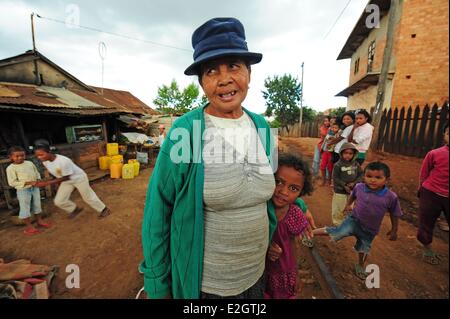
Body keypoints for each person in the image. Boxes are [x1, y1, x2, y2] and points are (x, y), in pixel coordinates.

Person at [139, 17, 312, 299]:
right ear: (202, 83)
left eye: (234, 66)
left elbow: (272, 184)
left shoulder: (262, 128)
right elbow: (158, 212)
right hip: (207, 286)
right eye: (211, 71)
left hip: (257, 274)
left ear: (249, 73)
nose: (224, 79)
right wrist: (157, 283)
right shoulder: (186, 132)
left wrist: (299, 203)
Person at [313, 162, 402, 279]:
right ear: (364, 176)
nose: (373, 180)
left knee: (364, 248)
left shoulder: (391, 197)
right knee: (338, 232)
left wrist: (394, 230)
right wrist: (348, 204)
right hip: (354, 221)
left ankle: (360, 266)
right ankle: (310, 232)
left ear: (387, 179)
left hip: (370, 229)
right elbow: (353, 195)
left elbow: (395, 214)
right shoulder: (359, 187)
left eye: (378, 177)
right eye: (369, 176)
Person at [265, 154, 311, 299]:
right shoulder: (260, 208)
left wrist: (296, 272)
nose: (284, 192)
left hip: (284, 269)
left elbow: (292, 243)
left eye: (293, 188)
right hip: (260, 272)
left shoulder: (294, 213)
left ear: (301, 192)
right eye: (278, 182)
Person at [33, 141, 111, 219]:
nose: (39, 157)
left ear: (49, 152)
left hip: (79, 178)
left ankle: (104, 209)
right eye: (37, 156)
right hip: (66, 180)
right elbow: (58, 174)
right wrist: (56, 183)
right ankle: (74, 209)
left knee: (88, 197)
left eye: (41, 154)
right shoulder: (45, 162)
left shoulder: (63, 161)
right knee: (59, 201)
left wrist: (46, 183)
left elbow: (66, 177)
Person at [417, 123, 449, 265]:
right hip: (431, 193)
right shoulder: (434, 154)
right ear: (445, 136)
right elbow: (424, 172)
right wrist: (421, 189)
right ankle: (427, 248)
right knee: (426, 223)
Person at [6, 146, 51, 235]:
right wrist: (28, 182)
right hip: (23, 191)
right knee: (25, 208)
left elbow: (36, 172)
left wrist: (38, 179)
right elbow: (12, 183)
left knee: (37, 205)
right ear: (10, 157)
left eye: (22, 155)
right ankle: (29, 227)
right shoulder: (10, 168)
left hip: (34, 188)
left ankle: (39, 221)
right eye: (17, 156)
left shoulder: (29, 163)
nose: (20, 158)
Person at [331, 143, 363, 226]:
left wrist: (354, 183)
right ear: (341, 153)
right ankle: (337, 224)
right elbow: (336, 178)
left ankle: (346, 222)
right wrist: (344, 185)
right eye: (345, 153)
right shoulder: (338, 165)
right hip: (340, 191)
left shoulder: (356, 164)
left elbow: (361, 175)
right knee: (338, 207)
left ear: (354, 154)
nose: (348, 155)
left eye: (350, 153)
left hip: (352, 191)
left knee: (349, 207)